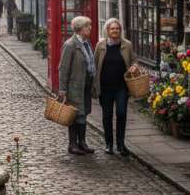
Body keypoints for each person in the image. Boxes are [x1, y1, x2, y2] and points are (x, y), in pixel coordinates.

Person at [94, 17, 139, 156]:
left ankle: (121, 144)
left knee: (121, 113)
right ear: (107, 30)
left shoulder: (127, 45)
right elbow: (95, 65)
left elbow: (134, 60)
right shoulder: (100, 46)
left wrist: (134, 66)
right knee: (107, 116)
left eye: (117, 28)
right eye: (112, 28)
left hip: (122, 87)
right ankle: (109, 144)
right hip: (105, 87)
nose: (115, 31)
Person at [57, 15, 97, 155]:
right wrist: (62, 89)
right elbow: (63, 68)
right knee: (74, 115)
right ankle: (72, 144)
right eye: (87, 26)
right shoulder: (70, 45)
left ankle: (83, 143)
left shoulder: (86, 43)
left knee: (83, 113)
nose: (90, 28)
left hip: (85, 85)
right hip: (74, 86)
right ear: (79, 29)